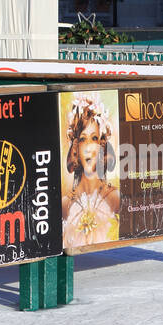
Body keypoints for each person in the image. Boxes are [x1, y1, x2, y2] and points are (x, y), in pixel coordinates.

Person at [61, 92, 119, 248]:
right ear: (75, 147)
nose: (88, 148)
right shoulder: (65, 204)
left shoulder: (114, 198)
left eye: (94, 138)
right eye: (82, 139)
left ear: (102, 145)